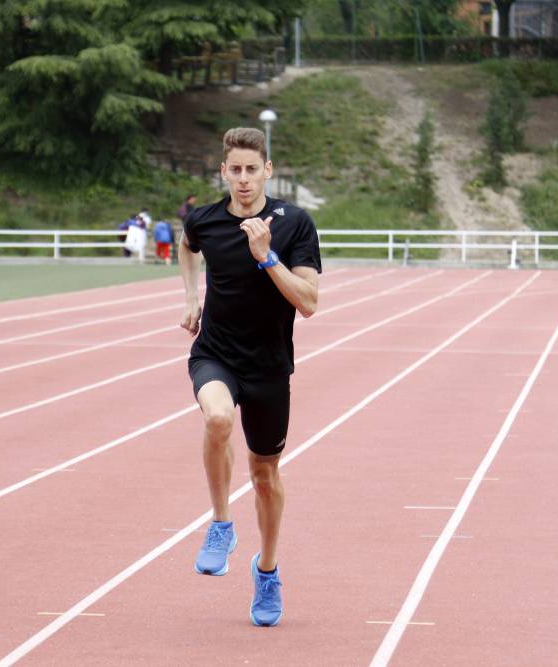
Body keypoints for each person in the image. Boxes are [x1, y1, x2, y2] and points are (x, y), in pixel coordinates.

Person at [179, 127, 321, 627]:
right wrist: (192, 297)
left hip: (268, 367)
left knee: (264, 476)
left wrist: (268, 257)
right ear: (223, 172)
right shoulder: (206, 219)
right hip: (215, 354)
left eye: (251, 170)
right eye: (234, 170)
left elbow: (308, 304)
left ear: (267, 172)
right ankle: (220, 523)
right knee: (216, 417)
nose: (242, 179)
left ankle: (267, 571)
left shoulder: (294, 225)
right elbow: (187, 244)